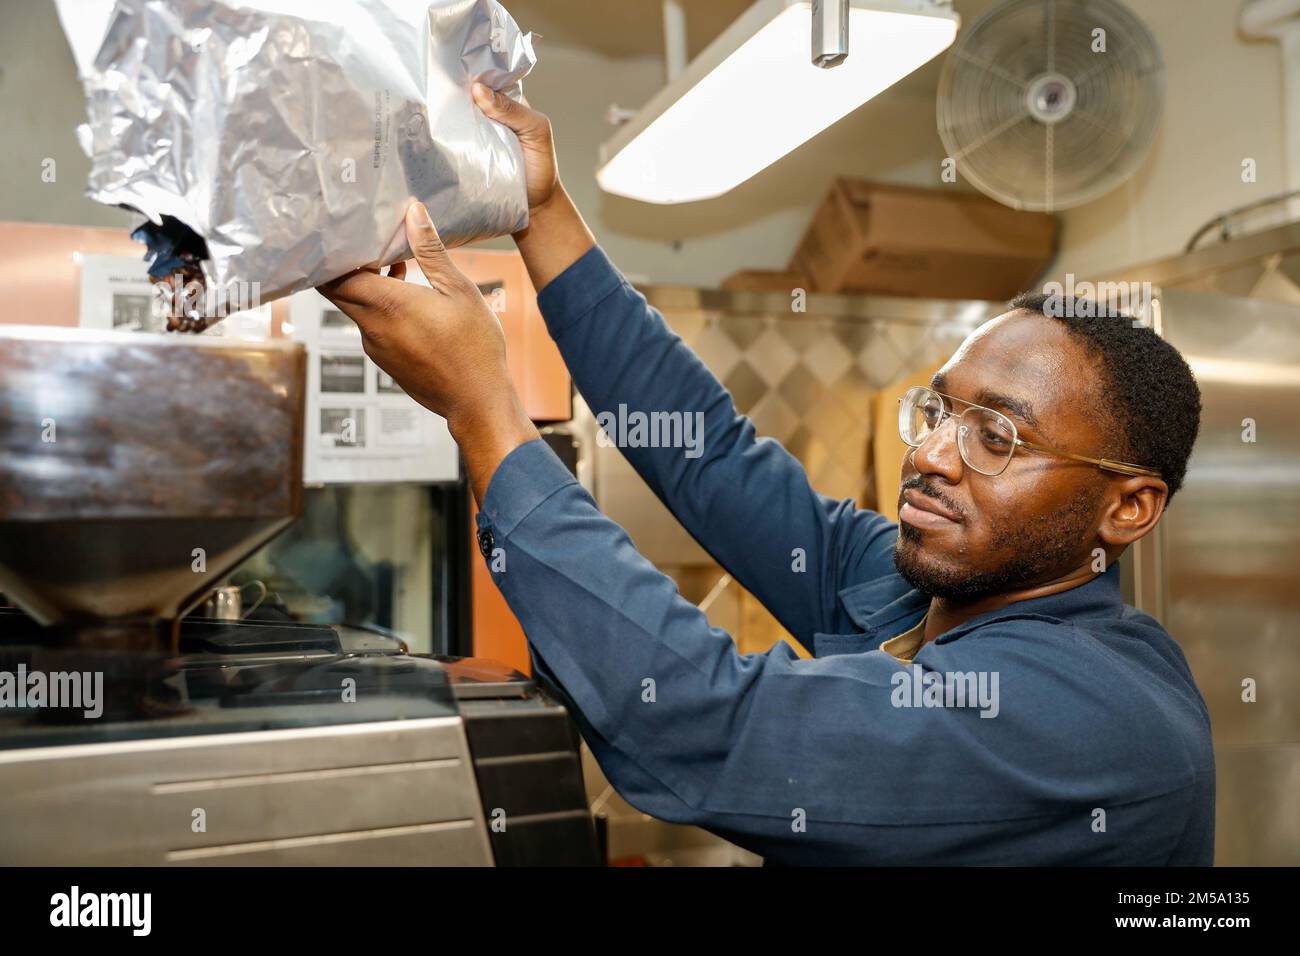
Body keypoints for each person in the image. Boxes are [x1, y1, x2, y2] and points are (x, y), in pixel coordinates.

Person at [319, 83, 1214, 865]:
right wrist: (543, 213)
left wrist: (484, 410)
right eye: (938, 411)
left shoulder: (1093, 721)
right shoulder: (918, 588)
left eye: (999, 438)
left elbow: (707, 723)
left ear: (1128, 508)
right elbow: (709, 452)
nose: (934, 454)